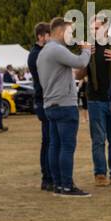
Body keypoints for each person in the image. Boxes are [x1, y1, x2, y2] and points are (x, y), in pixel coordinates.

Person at [37, 16, 93, 196]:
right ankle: (67, 185)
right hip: (64, 104)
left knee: (55, 145)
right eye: (70, 31)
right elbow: (81, 62)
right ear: (60, 31)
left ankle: (59, 184)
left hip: (50, 104)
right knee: (67, 147)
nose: (71, 35)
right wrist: (86, 50)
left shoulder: (44, 51)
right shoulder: (56, 49)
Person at [84, 15, 111, 185]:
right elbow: (79, 74)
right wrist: (84, 57)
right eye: (92, 28)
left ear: (106, 28)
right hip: (94, 99)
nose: (94, 31)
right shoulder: (88, 48)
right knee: (98, 140)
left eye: (97, 27)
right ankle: (100, 174)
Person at [28, 22, 55, 191]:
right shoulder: (36, 54)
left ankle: (49, 176)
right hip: (43, 100)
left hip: (45, 99)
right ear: (41, 36)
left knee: (50, 140)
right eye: (48, 35)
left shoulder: (40, 53)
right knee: (48, 141)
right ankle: (47, 177)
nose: (50, 38)